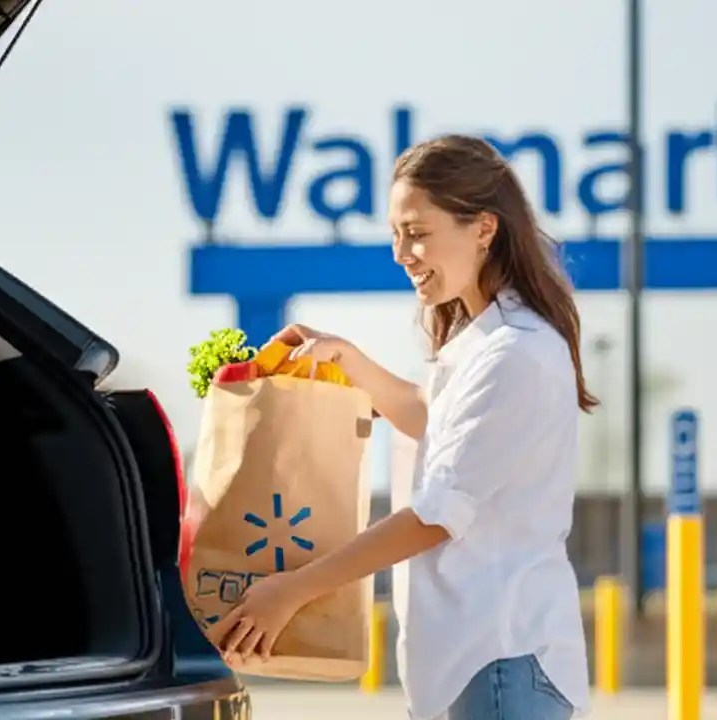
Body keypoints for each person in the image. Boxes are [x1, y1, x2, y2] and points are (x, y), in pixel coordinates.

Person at [211, 135, 596, 720]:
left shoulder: (515, 354)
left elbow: (437, 513)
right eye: (396, 233)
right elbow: (435, 423)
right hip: (477, 664)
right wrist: (349, 361)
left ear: (483, 229)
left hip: (499, 660)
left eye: (417, 232)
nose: (401, 252)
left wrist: (292, 590)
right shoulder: (481, 341)